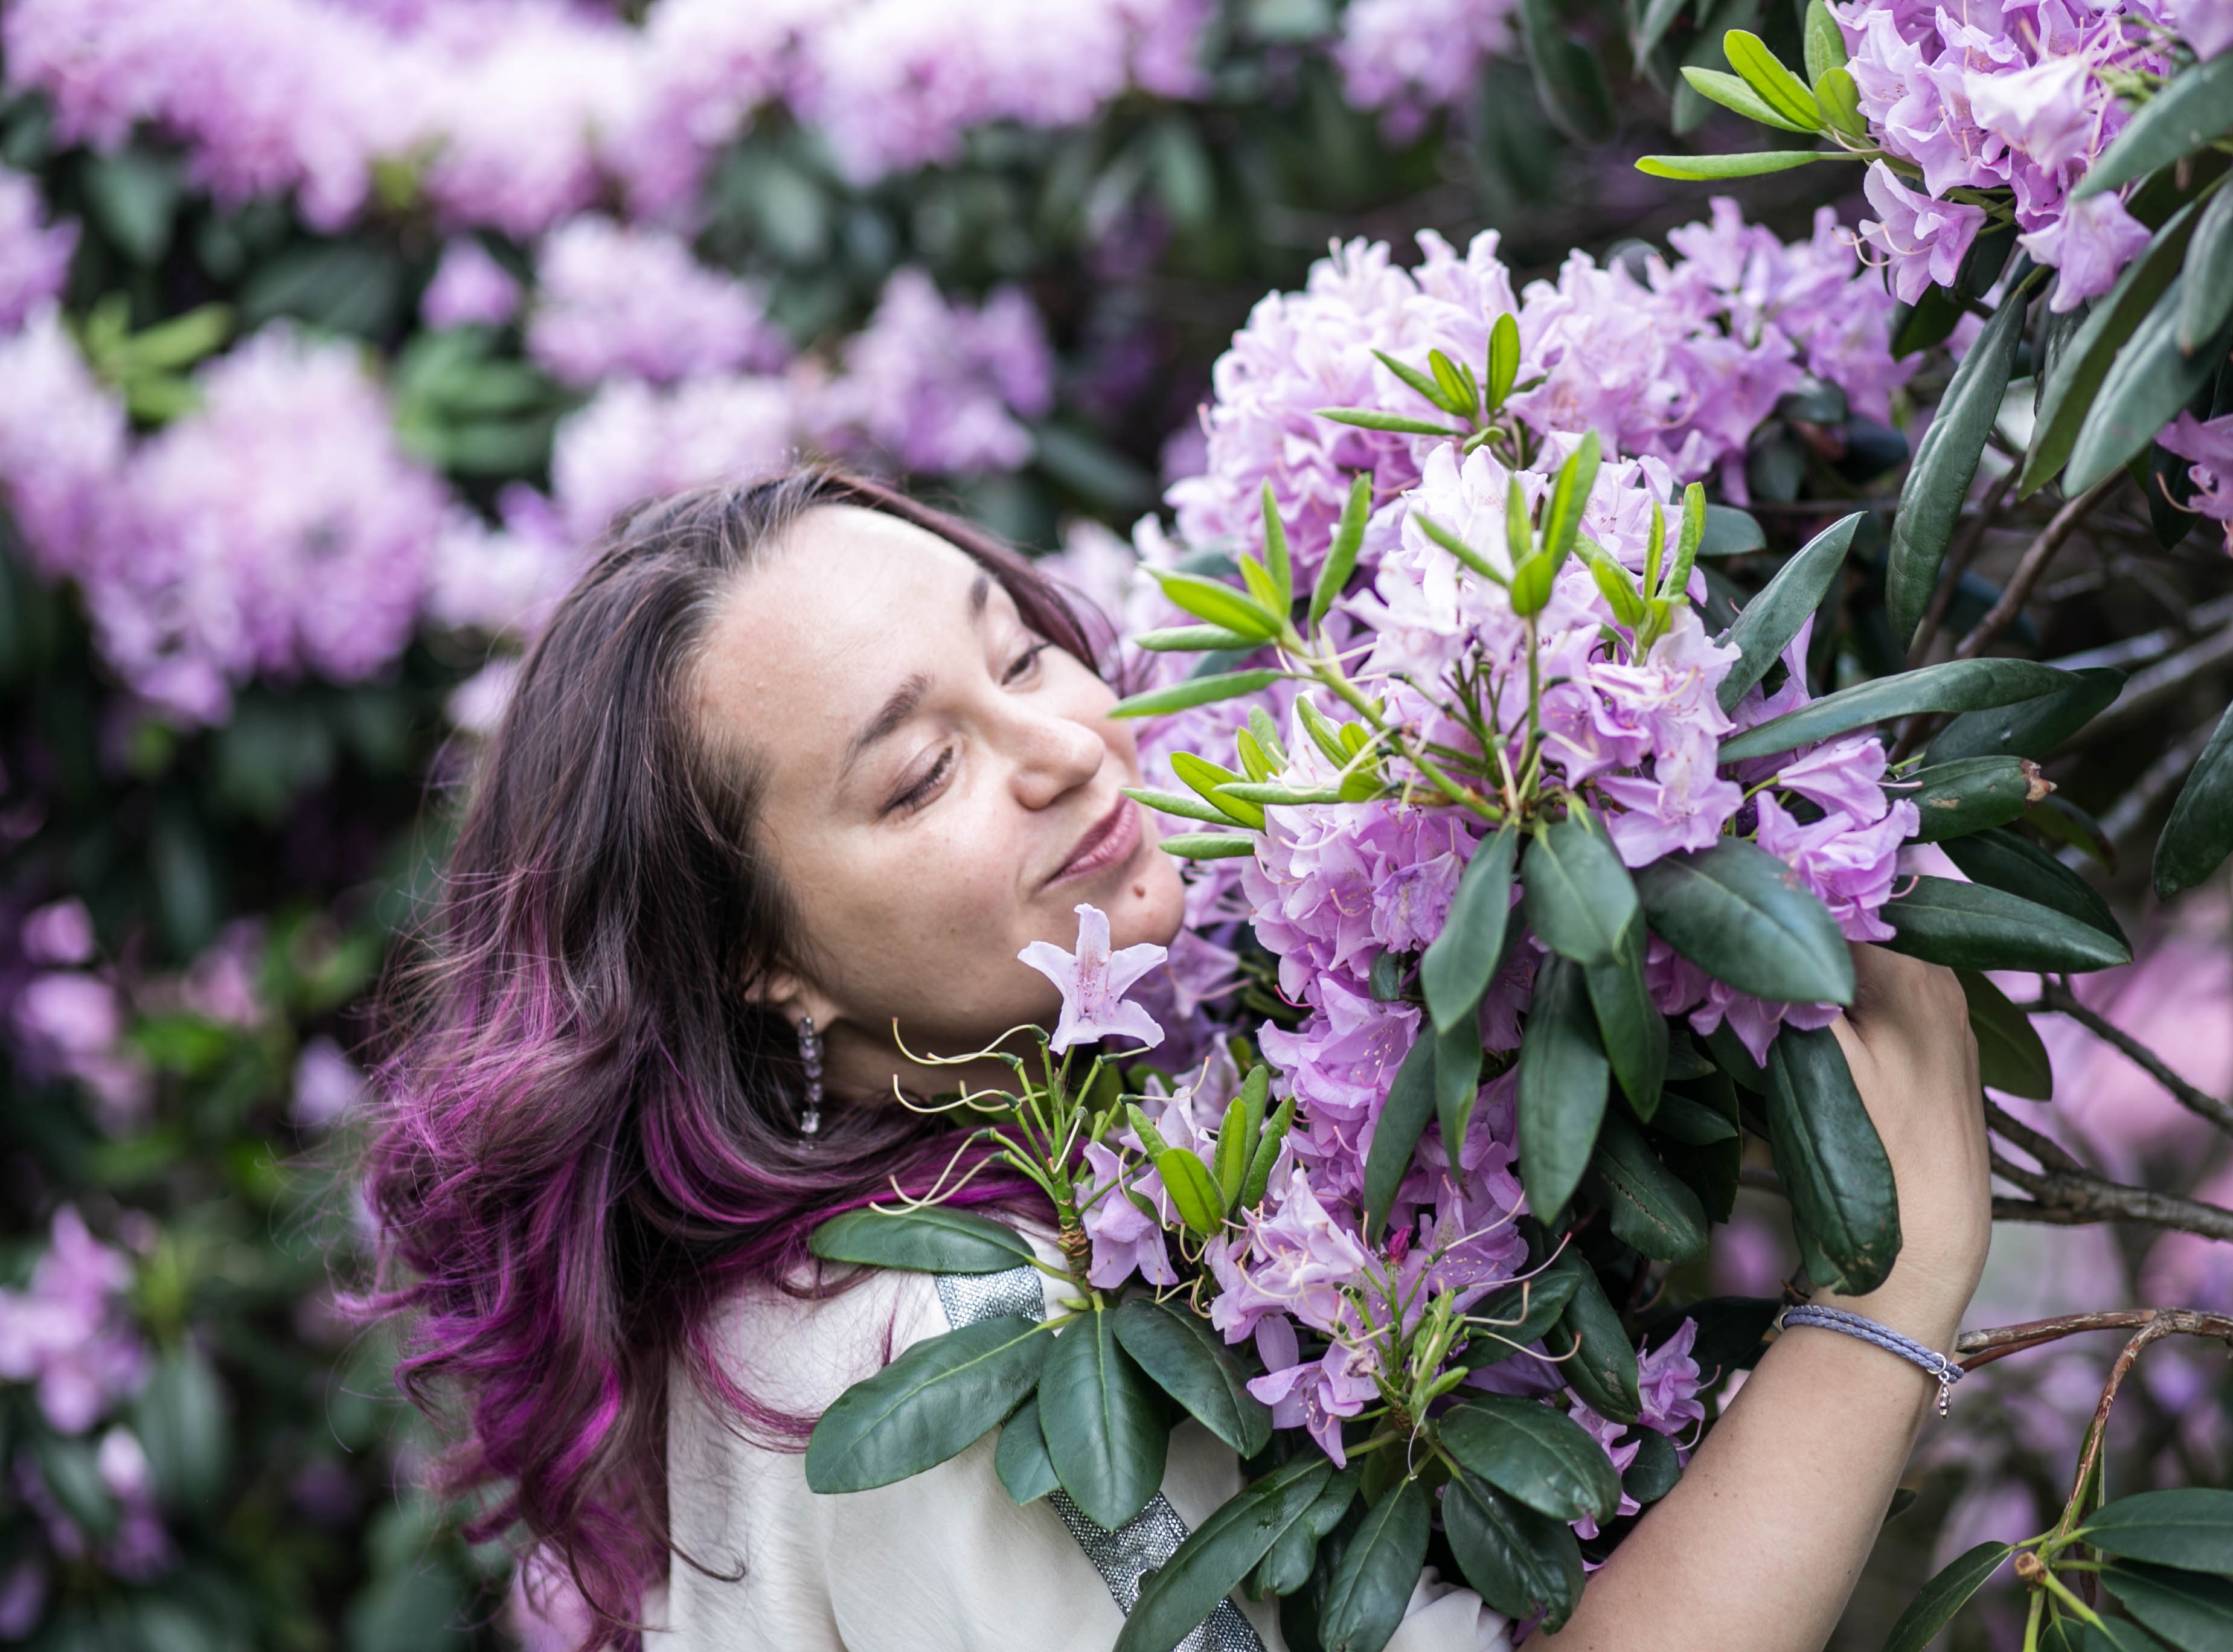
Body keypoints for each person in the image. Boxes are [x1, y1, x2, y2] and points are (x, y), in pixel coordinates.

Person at [364, 466, 1993, 1652]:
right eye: (922, 773)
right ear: (758, 963)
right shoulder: (948, 1351)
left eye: (1020, 657)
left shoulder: (854, 1270)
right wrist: (1887, 1303)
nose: (1068, 746)